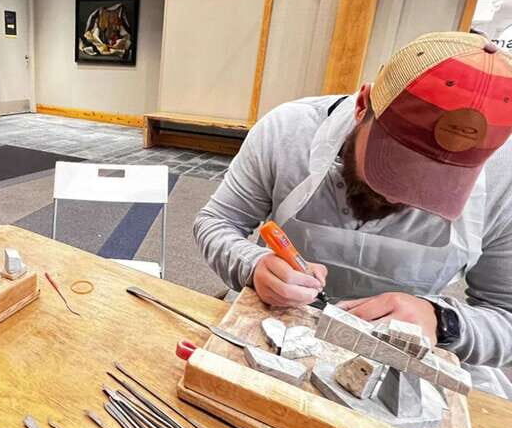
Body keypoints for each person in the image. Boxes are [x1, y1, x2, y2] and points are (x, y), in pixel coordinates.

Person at [194, 32, 512, 397]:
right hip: (280, 326)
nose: (401, 195)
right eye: (395, 165)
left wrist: (444, 322)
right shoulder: (288, 131)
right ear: (363, 105)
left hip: (403, 363)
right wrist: (253, 263)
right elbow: (216, 222)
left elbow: (505, 315)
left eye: (436, 184)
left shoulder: (505, 180)